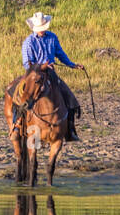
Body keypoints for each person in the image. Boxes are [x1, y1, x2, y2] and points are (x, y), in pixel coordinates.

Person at [17, 12, 82, 142]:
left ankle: (70, 130)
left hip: (51, 73)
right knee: (21, 98)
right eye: (39, 29)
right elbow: (27, 63)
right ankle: (16, 126)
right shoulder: (29, 42)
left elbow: (60, 53)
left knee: (70, 98)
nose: (42, 31)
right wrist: (41, 67)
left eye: (43, 28)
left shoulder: (52, 37)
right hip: (34, 74)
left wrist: (72, 65)